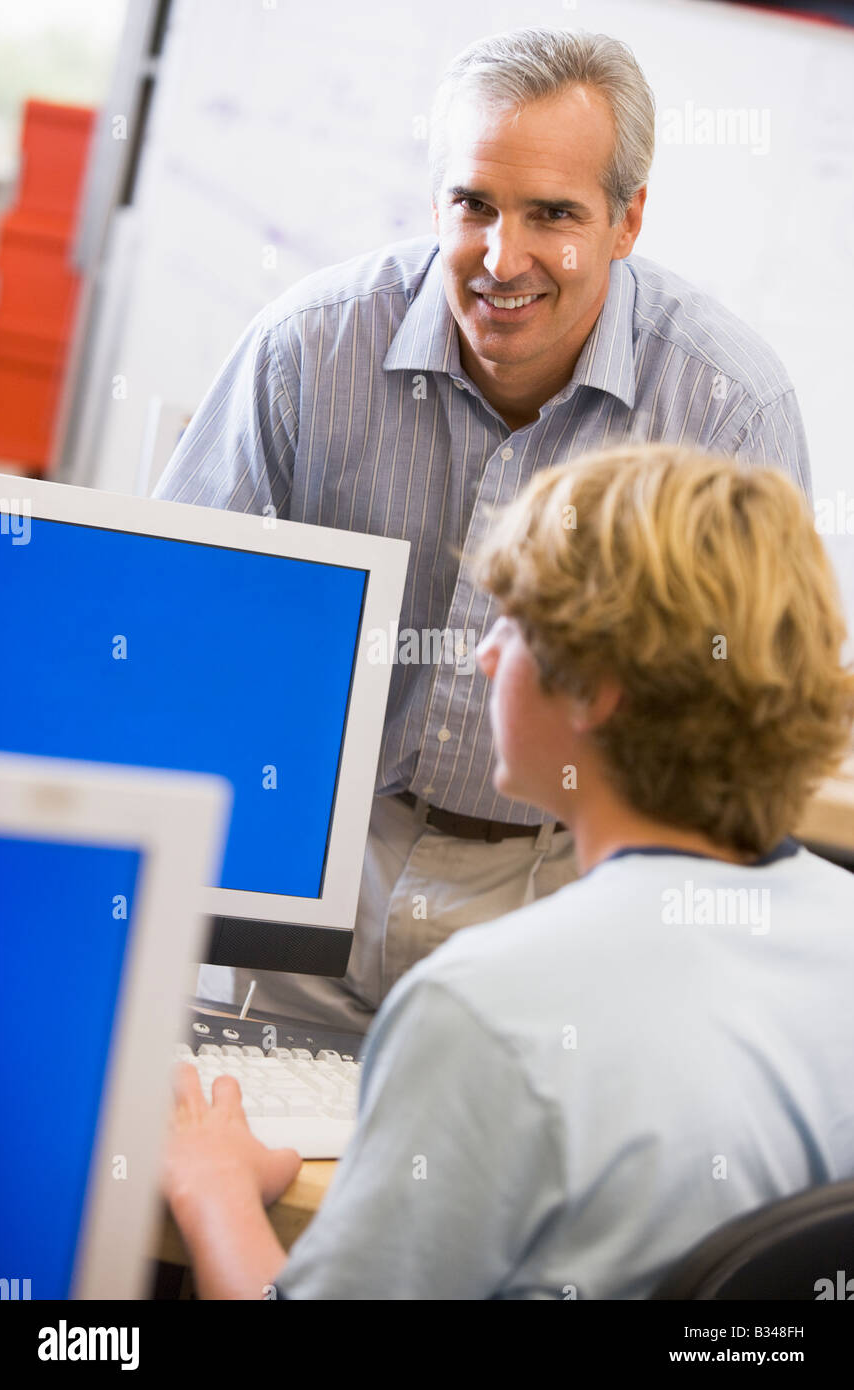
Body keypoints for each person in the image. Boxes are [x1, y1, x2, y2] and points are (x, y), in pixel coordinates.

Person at [153, 27, 812, 1031]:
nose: (503, 259)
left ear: (627, 219)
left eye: (552, 214)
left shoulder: (724, 410)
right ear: (437, 200)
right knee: (234, 1144)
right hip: (308, 858)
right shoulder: (306, 348)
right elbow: (175, 627)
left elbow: (747, 726)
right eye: (474, 205)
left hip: (560, 892)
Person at [163, 442, 854, 1300]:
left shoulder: (484, 1009)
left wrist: (212, 1187)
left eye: (511, 623)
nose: (484, 657)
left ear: (597, 687)